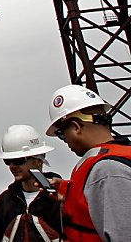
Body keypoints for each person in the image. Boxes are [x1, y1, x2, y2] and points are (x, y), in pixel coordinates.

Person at [45, 84, 131, 241]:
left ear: (76, 127)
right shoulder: (111, 161)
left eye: (61, 134)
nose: (65, 141)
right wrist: (68, 192)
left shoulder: (108, 170)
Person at [0, 124, 61, 242]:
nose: (12, 166)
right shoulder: (4, 201)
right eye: (8, 161)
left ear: (38, 161)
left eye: (18, 160)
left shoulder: (61, 197)